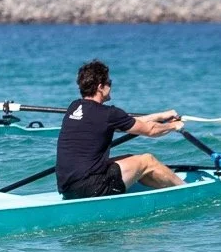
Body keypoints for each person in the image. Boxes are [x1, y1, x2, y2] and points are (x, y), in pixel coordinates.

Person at [55, 59, 185, 200]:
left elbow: (132, 123)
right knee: (148, 160)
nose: (110, 87)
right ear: (100, 87)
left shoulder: (74, 107)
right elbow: (151, 131)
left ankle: (165, 191)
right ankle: (186, 190)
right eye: (109, 83)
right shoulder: (108, 114)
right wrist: (174, 126)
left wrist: (161, 116)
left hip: (67, 188)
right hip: (91, 188)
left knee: (131, 158)